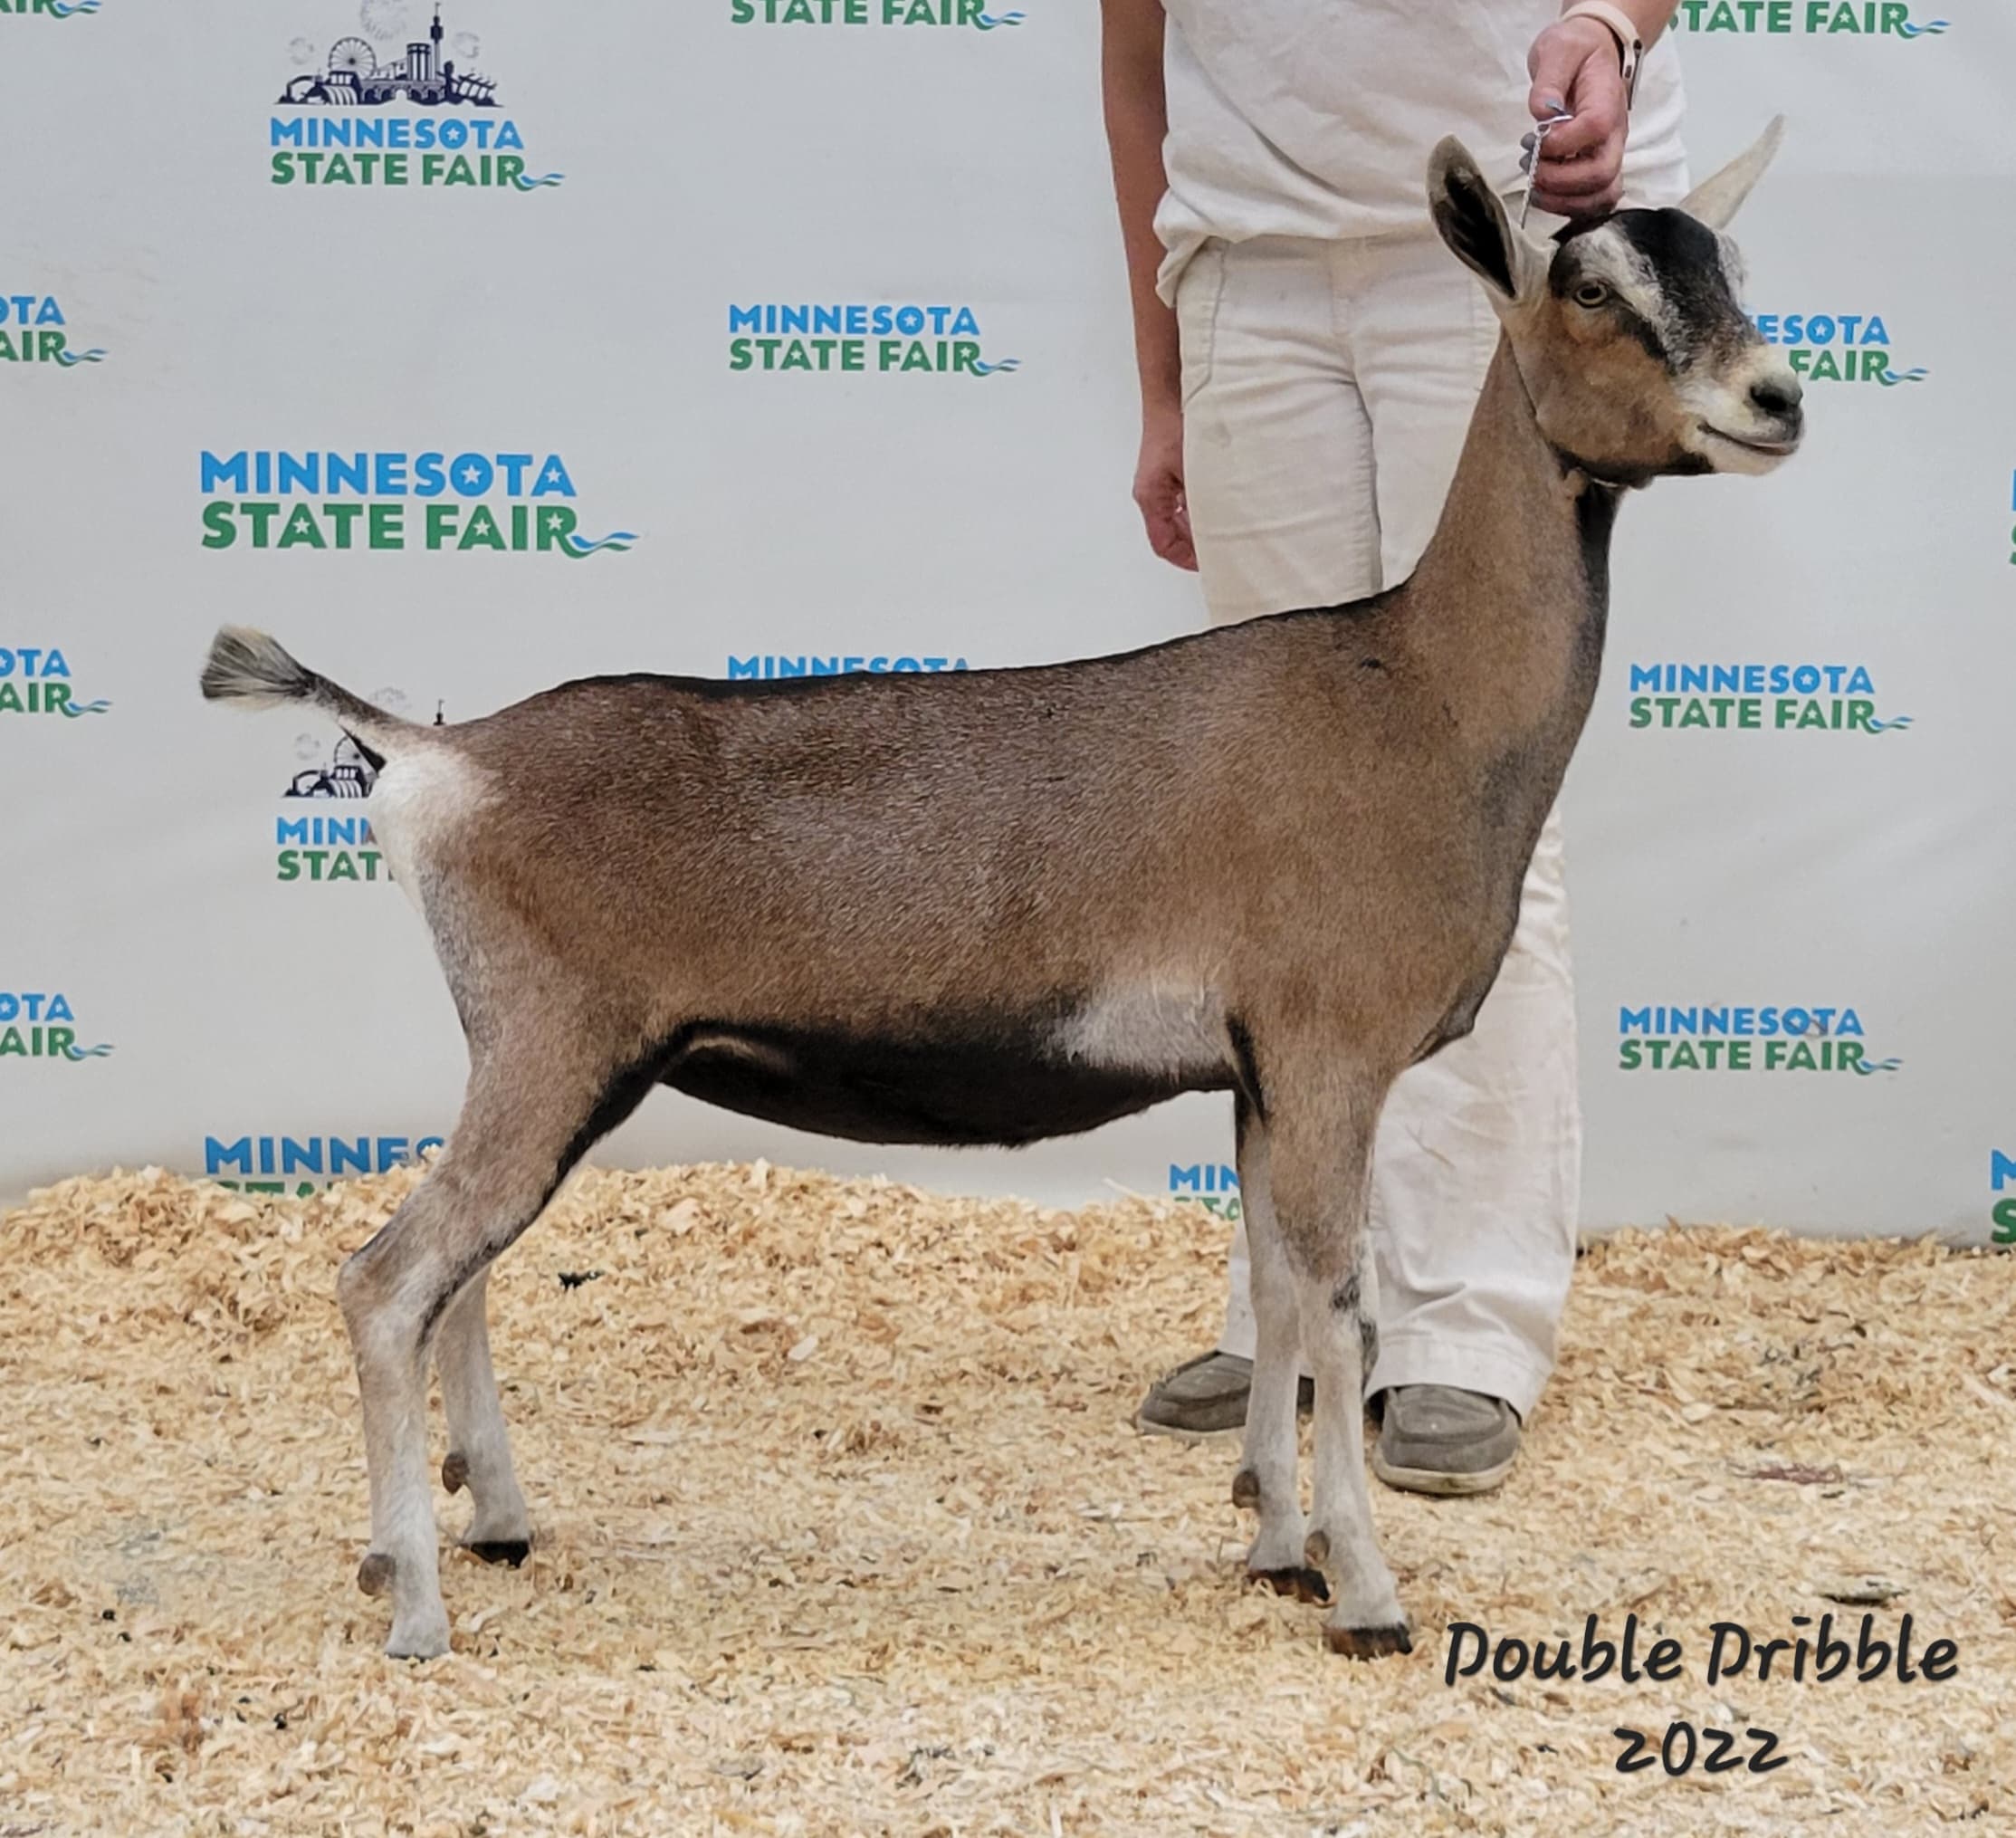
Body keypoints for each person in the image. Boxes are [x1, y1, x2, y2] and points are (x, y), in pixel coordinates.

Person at [1101, 0, 1688, 1492]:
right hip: (1252, 262)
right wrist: (1161, 376)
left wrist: (1612, 24)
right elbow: (1136, 54)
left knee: (1478, 819)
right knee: (1276, 835)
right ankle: (1294, 1301)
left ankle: (1467, 1332)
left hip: (1502, 265)